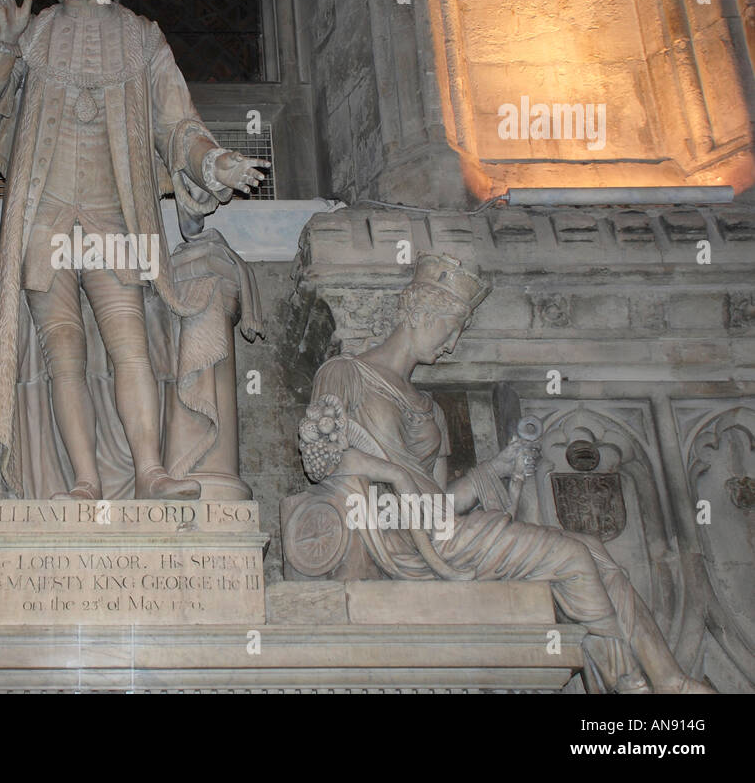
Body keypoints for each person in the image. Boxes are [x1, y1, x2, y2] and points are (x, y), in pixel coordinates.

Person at [0, 0, 268, 501]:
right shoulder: (35, 35)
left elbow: (178, 124)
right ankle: (85, 481)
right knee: (63, 350)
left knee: (128, 344)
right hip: (43, 214)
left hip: (114, 211)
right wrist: (4, 43)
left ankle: (149, 472)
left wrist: (213, 162)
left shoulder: (142, 37)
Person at [300, 253, 713, 693]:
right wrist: (395, 475)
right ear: (419, 312)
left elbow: (441, 504)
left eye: (460, 330)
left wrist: (496, 468)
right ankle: (626, 682)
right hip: (392, 530)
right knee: (572, 559)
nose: (453, 343)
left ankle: (668, 677)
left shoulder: (432, 411)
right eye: (451, 326)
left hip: (438, 531)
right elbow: (319, 459)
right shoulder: (345, 374)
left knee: (592, 549)